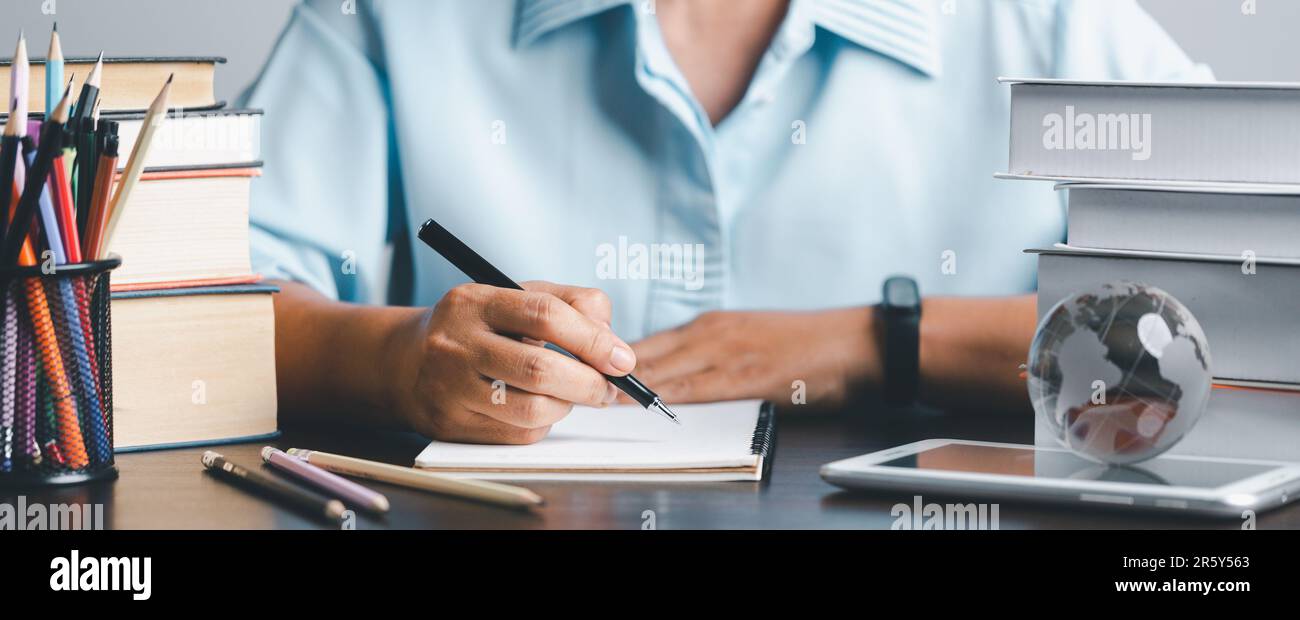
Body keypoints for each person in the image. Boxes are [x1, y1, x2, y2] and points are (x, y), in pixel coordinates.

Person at [243, 0, 1210, 444]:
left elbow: (1252, 307)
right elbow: (197, 304)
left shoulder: (1053, 24)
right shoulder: (389, 17)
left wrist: (881, 343)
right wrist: (398, 359)